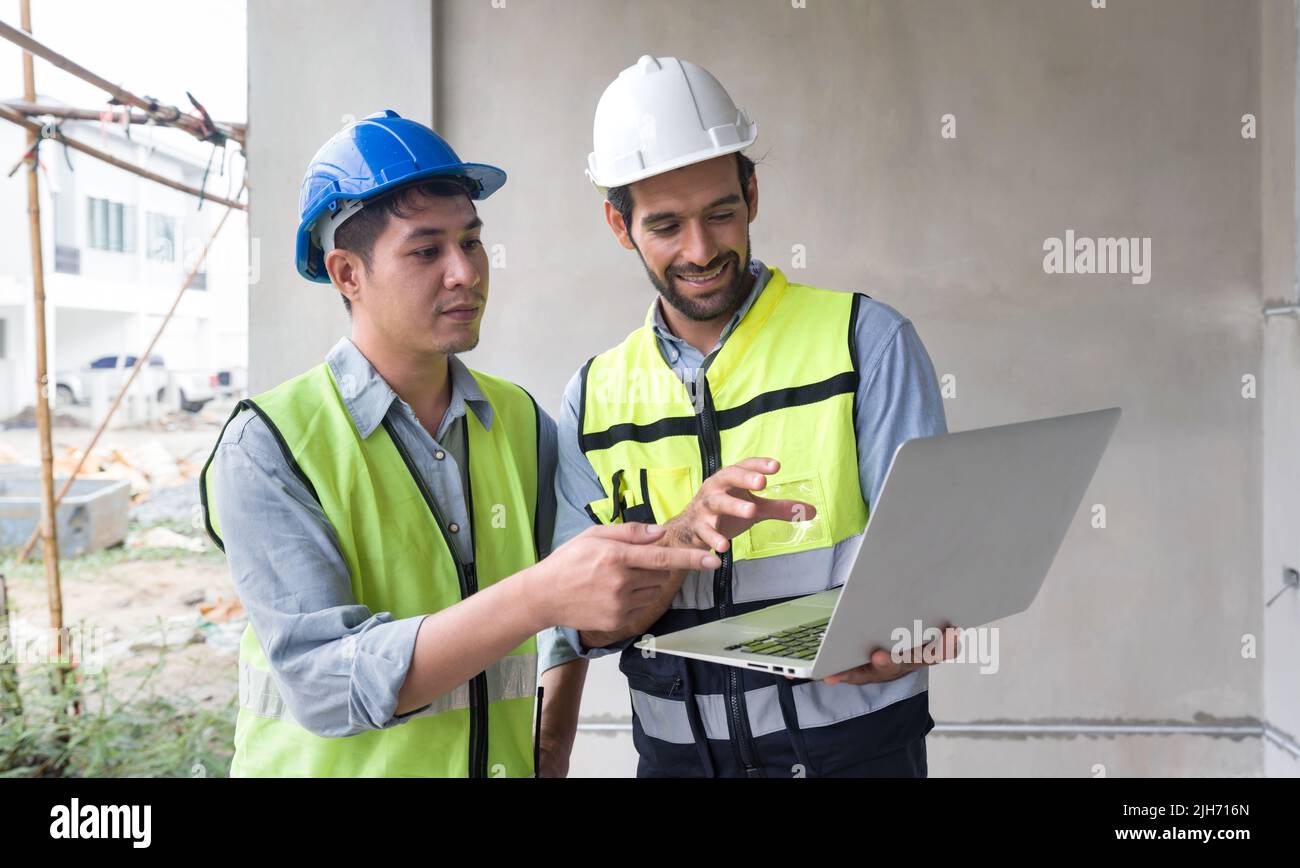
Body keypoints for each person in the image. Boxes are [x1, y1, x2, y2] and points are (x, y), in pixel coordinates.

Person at [200, 110, 718, 777]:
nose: (465, 272)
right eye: (426, 251)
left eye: (471, 243)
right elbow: (326, 684)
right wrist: (538, 595)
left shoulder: (521, 423)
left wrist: (679, 538)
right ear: (347, 273)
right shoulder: (269, 445)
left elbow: (572, 618)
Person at [537, 58, 959, 778]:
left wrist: (921, 631)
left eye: (720, 213)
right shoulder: (593, 395)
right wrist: (683, 535)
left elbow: (934, 573)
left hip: (854, 758)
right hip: (676, 766)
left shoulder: (865, 342)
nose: (701, 251)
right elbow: (587, 627)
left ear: (753, 193)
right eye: (666, 225)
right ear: (619, 224)